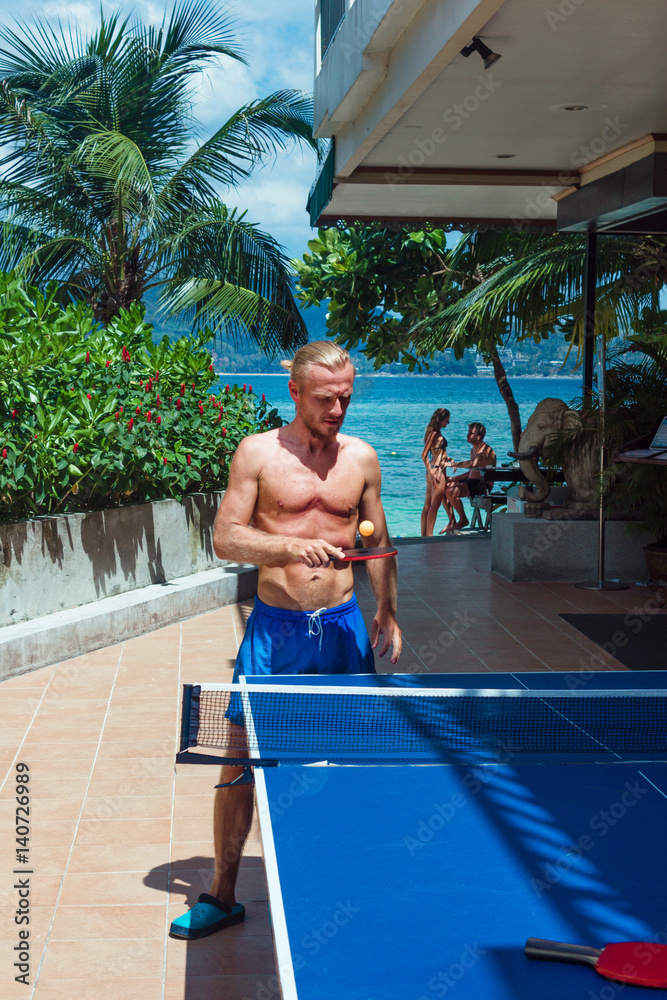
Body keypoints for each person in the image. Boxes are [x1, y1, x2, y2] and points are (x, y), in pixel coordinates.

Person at [169, 340, 402, 940]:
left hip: (344, 629)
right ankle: (222, 895)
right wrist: (290, 546)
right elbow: (225, 538)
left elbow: (379, 544)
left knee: (353, 755)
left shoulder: (362, 458)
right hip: (276, 632)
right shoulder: (258, 454)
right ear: (294, 391)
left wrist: (388, 611)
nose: (337, 410)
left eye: (346, 397)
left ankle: (348, 879)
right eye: (325, 398)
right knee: (240, 760)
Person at [442, 422, 496, 533]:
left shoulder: (484, 452)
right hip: (472, 481)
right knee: (442, 488)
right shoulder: (473, 450)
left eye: (471, 433)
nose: (467, 435)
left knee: (451, 492)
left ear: (479, 436)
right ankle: (452, 520)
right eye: (468, 432)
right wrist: (453, 479)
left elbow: (472, 464)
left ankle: (463, 520)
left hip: (482, 485)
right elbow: (472, 472)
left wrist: (452, 464)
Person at [420, 408, 455, 536]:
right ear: (440, 420)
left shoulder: (435, 433)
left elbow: (437, 452)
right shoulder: (434, 434)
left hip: (432, 470)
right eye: (447, 420)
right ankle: (429, 536)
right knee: (434, 506)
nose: (448, 423)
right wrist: (432, 473)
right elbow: (424, 455)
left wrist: (448, 459)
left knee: (428, 505)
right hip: (437, 471)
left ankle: (424, 536)